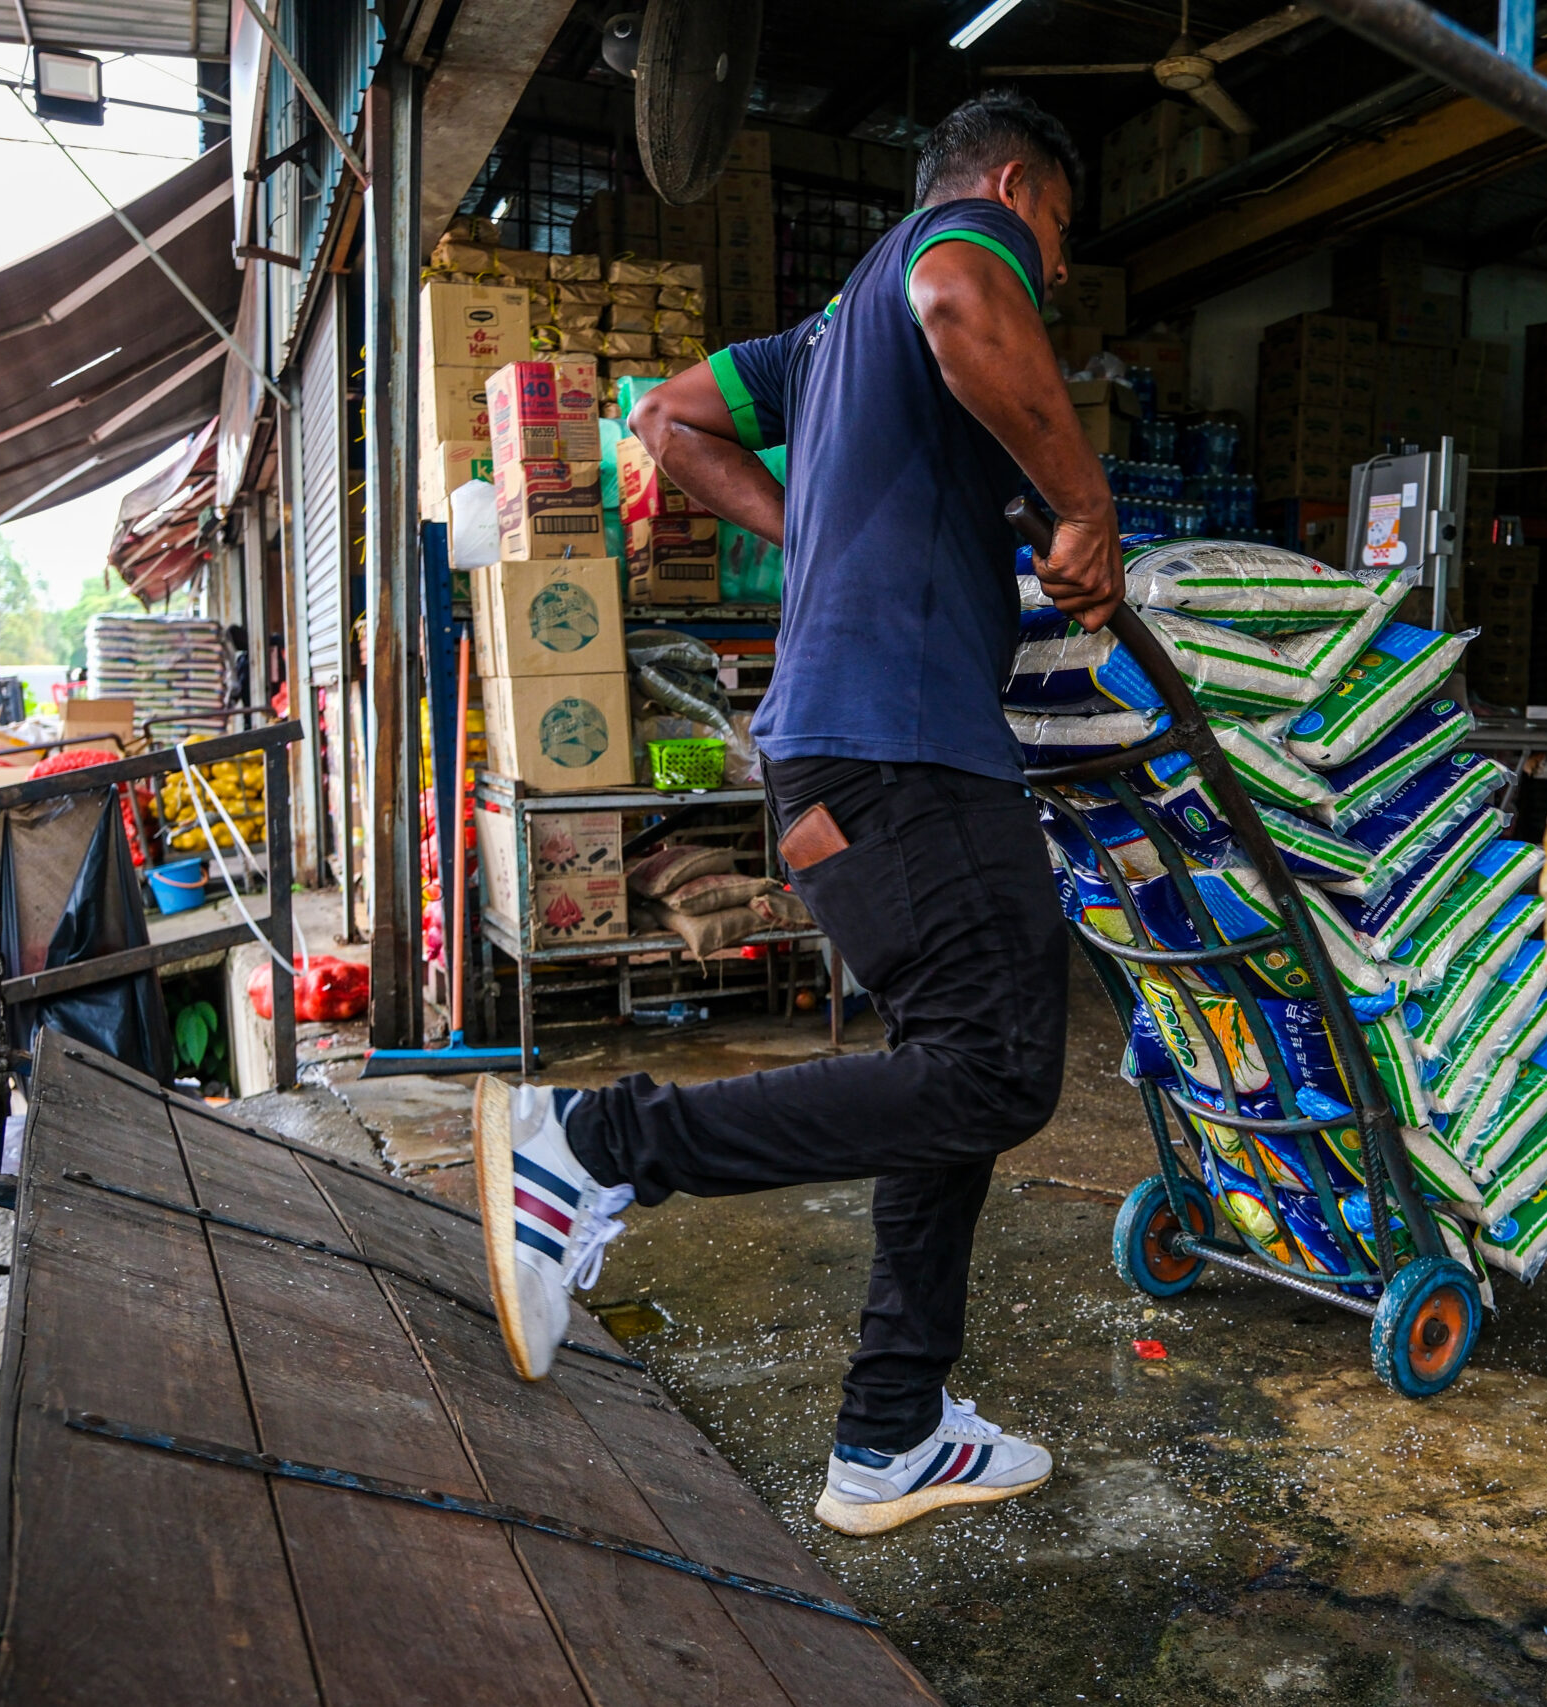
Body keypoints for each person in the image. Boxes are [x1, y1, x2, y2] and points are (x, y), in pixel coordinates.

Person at [473, 89, 1123, 1537]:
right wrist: (1082, 505)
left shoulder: (825, 339)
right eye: (1060, 238)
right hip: (904, 748)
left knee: (950, 1062)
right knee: (1005, 1071)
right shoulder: (953, 243)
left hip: (838, 758)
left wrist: (810, 531)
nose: (1057, 275)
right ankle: (592, 1142)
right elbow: (966, 289)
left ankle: (893, 1430)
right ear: (1016, 188)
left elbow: (667, 416)